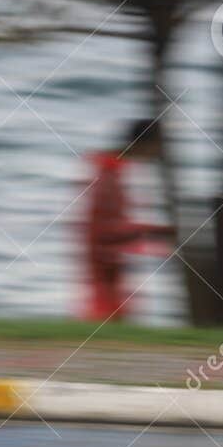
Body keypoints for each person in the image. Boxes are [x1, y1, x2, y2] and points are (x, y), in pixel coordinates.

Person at [81, 119, 170, 321]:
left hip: (110, 268)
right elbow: (107, 231)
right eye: (160, 144)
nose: (161, 152)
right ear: (146, 144)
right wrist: (159, 233)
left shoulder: (113, 169)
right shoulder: (109, 174)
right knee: (105, 321)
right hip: (105, 271)